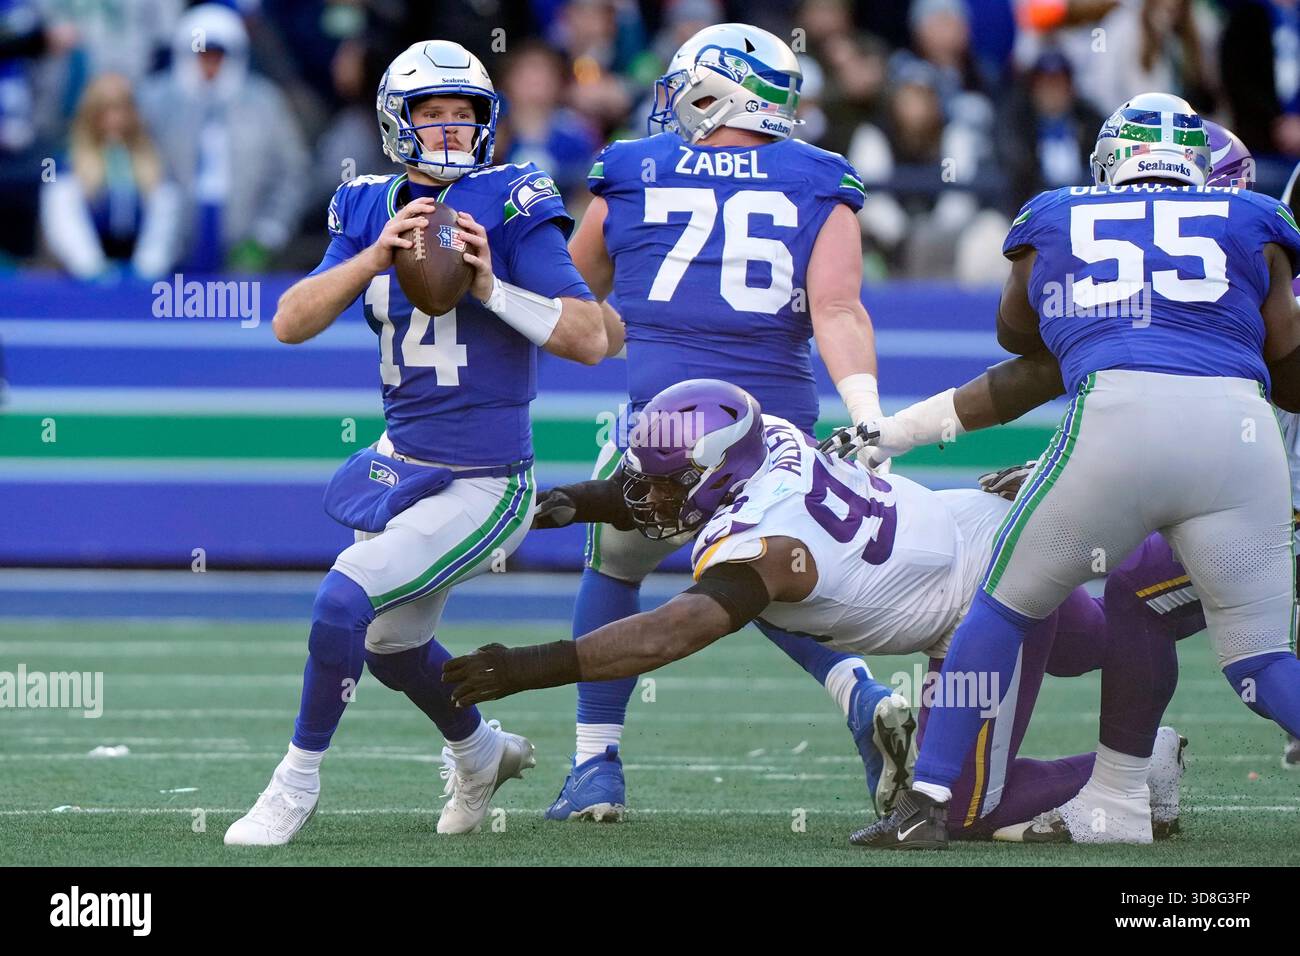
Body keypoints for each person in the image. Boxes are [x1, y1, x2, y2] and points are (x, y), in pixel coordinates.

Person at [443, 379, 1196, 843]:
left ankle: (1134, 767)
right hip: (973, 531)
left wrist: (527, 667)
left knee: (963, 810)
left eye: (667, 486)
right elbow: (676, 489)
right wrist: (581, 501)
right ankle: (1165, 587)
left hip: (982, 605)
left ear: (718, 478)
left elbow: (671, 634)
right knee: (1094, 641)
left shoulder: (764, 549)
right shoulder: (767, 438)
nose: (650, 498)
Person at [847, 92, 1300, 849]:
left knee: (1001, 607)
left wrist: (1109, 319)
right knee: (1260, 660)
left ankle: (927, 800)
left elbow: (1017, 336)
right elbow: (1285, 362)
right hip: (1240, 434)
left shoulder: (1058, 213)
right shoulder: (1255, 220)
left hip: (1117, 422)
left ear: (1109, 164)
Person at [223, 39, 604, 847]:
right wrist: (375, 255)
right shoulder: (365, 204)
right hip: (404, 463)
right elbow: (290, 322)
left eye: (462, 114)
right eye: (431, 115)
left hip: (488, 478)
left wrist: (490, 283)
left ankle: (296, 782)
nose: (448, 129)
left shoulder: (510, 198)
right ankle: (478, 752)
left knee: (342, 599)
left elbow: (591, 339)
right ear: (398, 122)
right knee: (393, 645)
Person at [543, 23, 906, 823]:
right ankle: (859, 694)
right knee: (766, 584)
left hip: (665, 435)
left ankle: (595, 764)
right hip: (775, 440)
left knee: (615, 567)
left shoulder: (632, 168)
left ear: (712, 91)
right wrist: (871, 418)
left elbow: (572, 299)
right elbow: (840, 309)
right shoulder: (818, 177)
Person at [40, 72, 179, 280]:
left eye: (122, 110)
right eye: (105, 111)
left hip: (141, 277)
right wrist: (91, 267)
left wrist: (149, 267)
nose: (115, 120)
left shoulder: (153, 163)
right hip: (82, 280)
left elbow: (165, 221)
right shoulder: (66, 164)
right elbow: (62, 222)